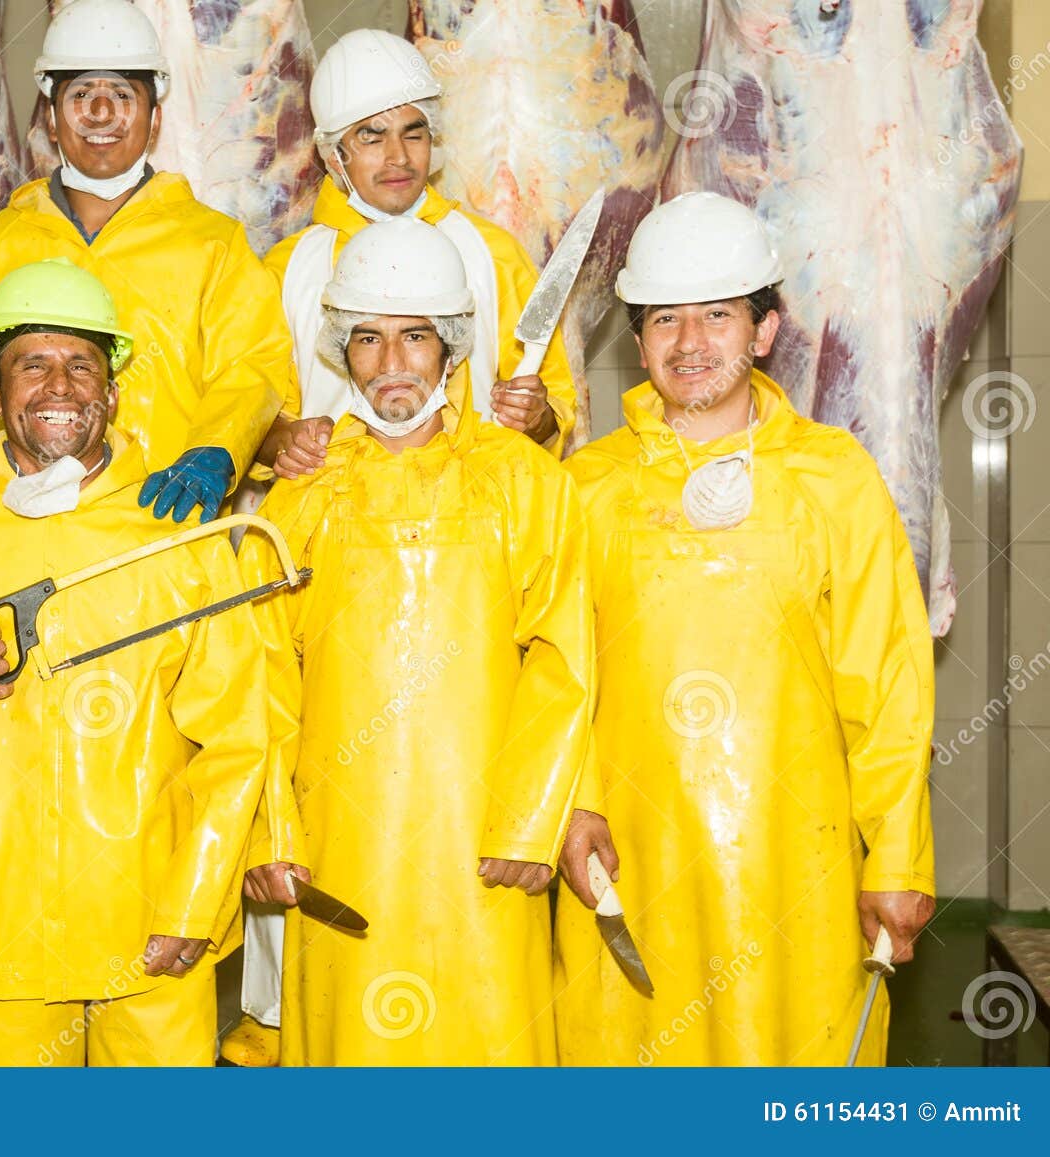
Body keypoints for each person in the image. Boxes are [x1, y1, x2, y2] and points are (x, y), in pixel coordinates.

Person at [552, 192, 936, 1066]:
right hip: (628, 863)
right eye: (665, 318)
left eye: (718, 316)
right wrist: (571, 805)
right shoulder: (587, 488)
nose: (690, 342)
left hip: (798, 864)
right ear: (638, 339)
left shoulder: (833, 477)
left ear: (764, 331)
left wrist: (898, 859)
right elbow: (555, 673)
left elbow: (888, 683)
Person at [239, 218, 594, 1065]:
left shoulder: (524, 480)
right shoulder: (301, 497)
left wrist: (529, 822)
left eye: (415, 336)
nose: (391, 361)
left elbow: (564, 659)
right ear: (341, 350)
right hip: (339, 842)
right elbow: (258, 678)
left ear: (453, 346)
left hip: (486, 847)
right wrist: (272, 832)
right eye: (367, 337)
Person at [0, 260, 271, 1066]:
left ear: (112, 392)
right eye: (32, 364)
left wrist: (195, 900)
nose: (59, 386)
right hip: (0, 937)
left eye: (81, 365)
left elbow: (237, 741)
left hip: (151, 938)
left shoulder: (179, 539)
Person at [0, 0, 288, 534]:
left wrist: (218, 448)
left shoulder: (213, 245)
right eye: (80, 95)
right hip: (12, 545)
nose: (101, 113)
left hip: (164, 537)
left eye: (123, 95)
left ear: (154, 119)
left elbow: (252, 368)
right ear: (51, 118)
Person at [253, 29, 577, 486]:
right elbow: (256, 411)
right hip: (333, 518)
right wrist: (281, 441)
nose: (399, 158)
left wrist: (538, 417)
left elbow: (553, 405)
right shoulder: (287, 269)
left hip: (478, 515)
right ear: (334, 155)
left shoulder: (493, 253)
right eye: (371, 138)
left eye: (414, 133)